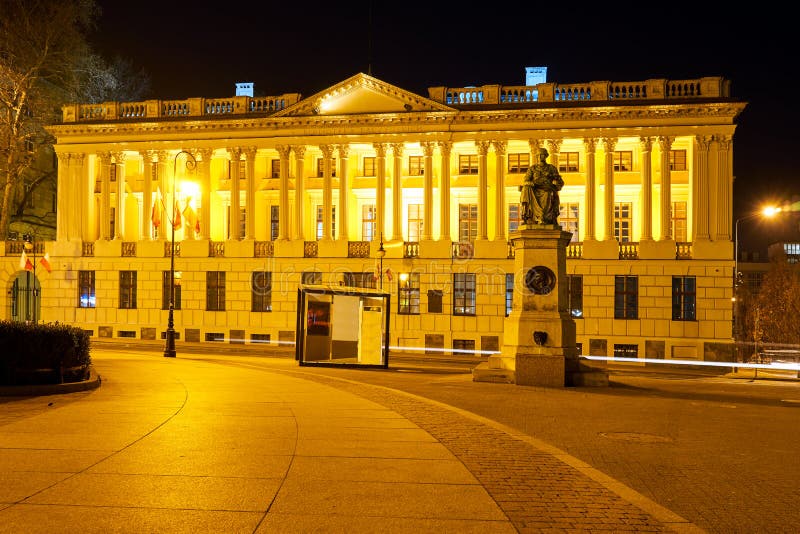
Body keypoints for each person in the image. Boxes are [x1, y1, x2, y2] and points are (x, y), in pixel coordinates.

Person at [520, 147, 564, 224]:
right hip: (534, 188)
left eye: (542, 155)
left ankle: (543, 217)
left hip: (547, 188)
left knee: (547, 194)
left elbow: (559, 181)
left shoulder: (551, 168)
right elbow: (526, 180)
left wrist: (555, 182)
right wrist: (530, 183)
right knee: (526, 189)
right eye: (538, 155)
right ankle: (527, 217)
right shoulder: (532, 168)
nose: (540, 157)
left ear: (546, 156)